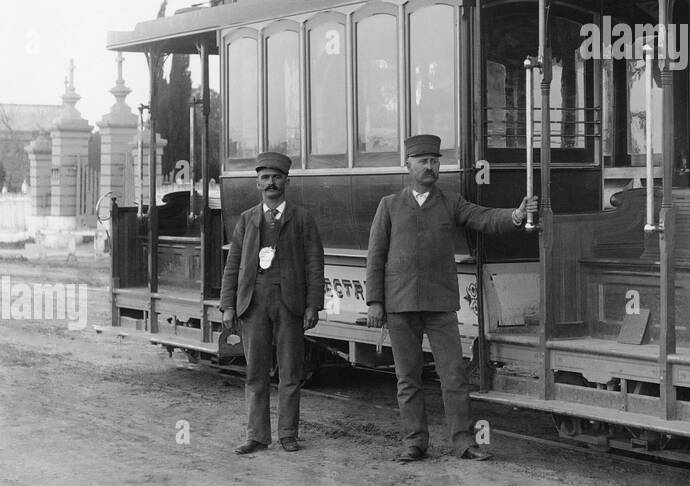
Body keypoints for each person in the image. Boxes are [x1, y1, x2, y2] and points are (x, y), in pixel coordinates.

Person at [366, 133, 537, 462]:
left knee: (454, 376)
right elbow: (376, 256)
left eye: (434, 161)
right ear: (408, 165)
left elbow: (484, 217)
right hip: (399, 305)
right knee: (407, 379)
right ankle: (414, 442)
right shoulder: (388, 205)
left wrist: (515, 215)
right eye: (422, 161)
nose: (429, 167)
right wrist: (375, 302)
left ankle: (463, 442)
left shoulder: (450, 202)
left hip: (440, 305)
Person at [220, 152, 325, 454]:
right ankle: (257, 436)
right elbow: (233, 264)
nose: (271, 183)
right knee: (255, 372)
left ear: (286, 181)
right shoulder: (247, 219)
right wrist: (228, 305)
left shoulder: (302, 218)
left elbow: (315, 264)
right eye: (265, 178)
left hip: (290, 304)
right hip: (253, 305)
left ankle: (288, 434)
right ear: (257, 184)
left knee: (291, 372)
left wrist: (312, 305)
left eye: (276, 177)